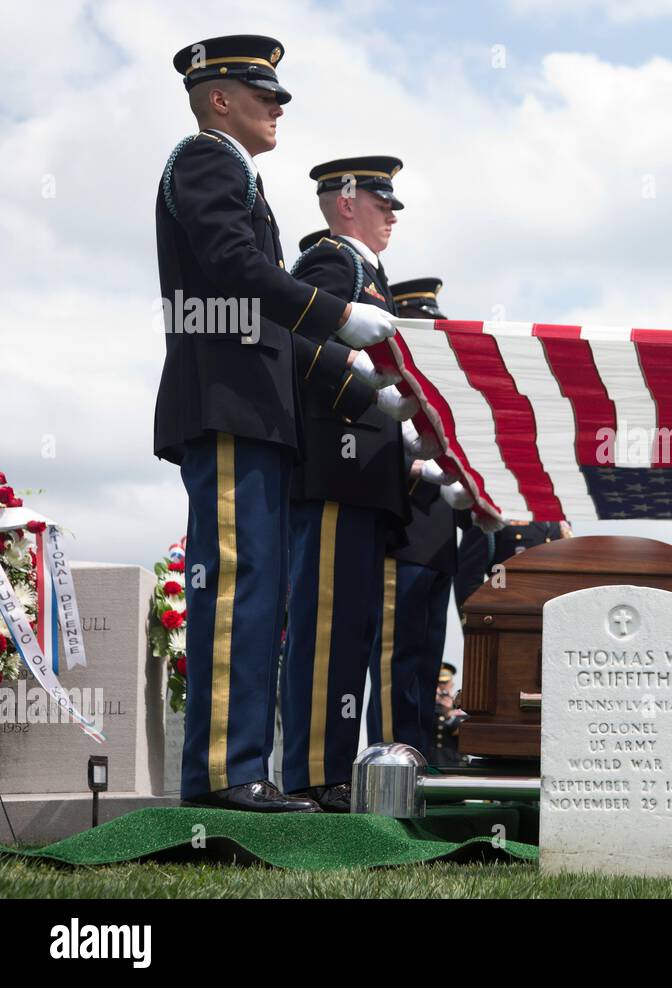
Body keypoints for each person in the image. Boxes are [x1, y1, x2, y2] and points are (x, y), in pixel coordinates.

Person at [156, 35, 396, 812]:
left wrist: (364, 397)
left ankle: (242, 770)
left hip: (255, 412)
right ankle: (226, 775)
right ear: (218, 98)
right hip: (227, 404)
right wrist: (334, 314)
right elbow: (233, 268)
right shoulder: (206, 158)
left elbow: (273, 328)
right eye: (265, 95)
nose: (279, 107)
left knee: (258, 593)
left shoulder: (239, 173)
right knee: (237, 586)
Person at [278, 155, 418, 811]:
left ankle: (334, 767)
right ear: (345, 203)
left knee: (353, 630)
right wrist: (362, 383)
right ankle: (313, 771)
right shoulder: (333, 262)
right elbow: (296, 338)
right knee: (328, 625)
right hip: (337, 468)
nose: (392, 214)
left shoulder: (371, 273)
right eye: (382, 202)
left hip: (366, 475)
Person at [368, 277, 473, 760]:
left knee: (427, 664)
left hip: (437, 543)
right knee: (396, 660)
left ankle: (419, 761)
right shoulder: (385, 382)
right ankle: (393, 760)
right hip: (401, 534)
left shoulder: (445, 396)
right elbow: (369, 445)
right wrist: (418, 467)